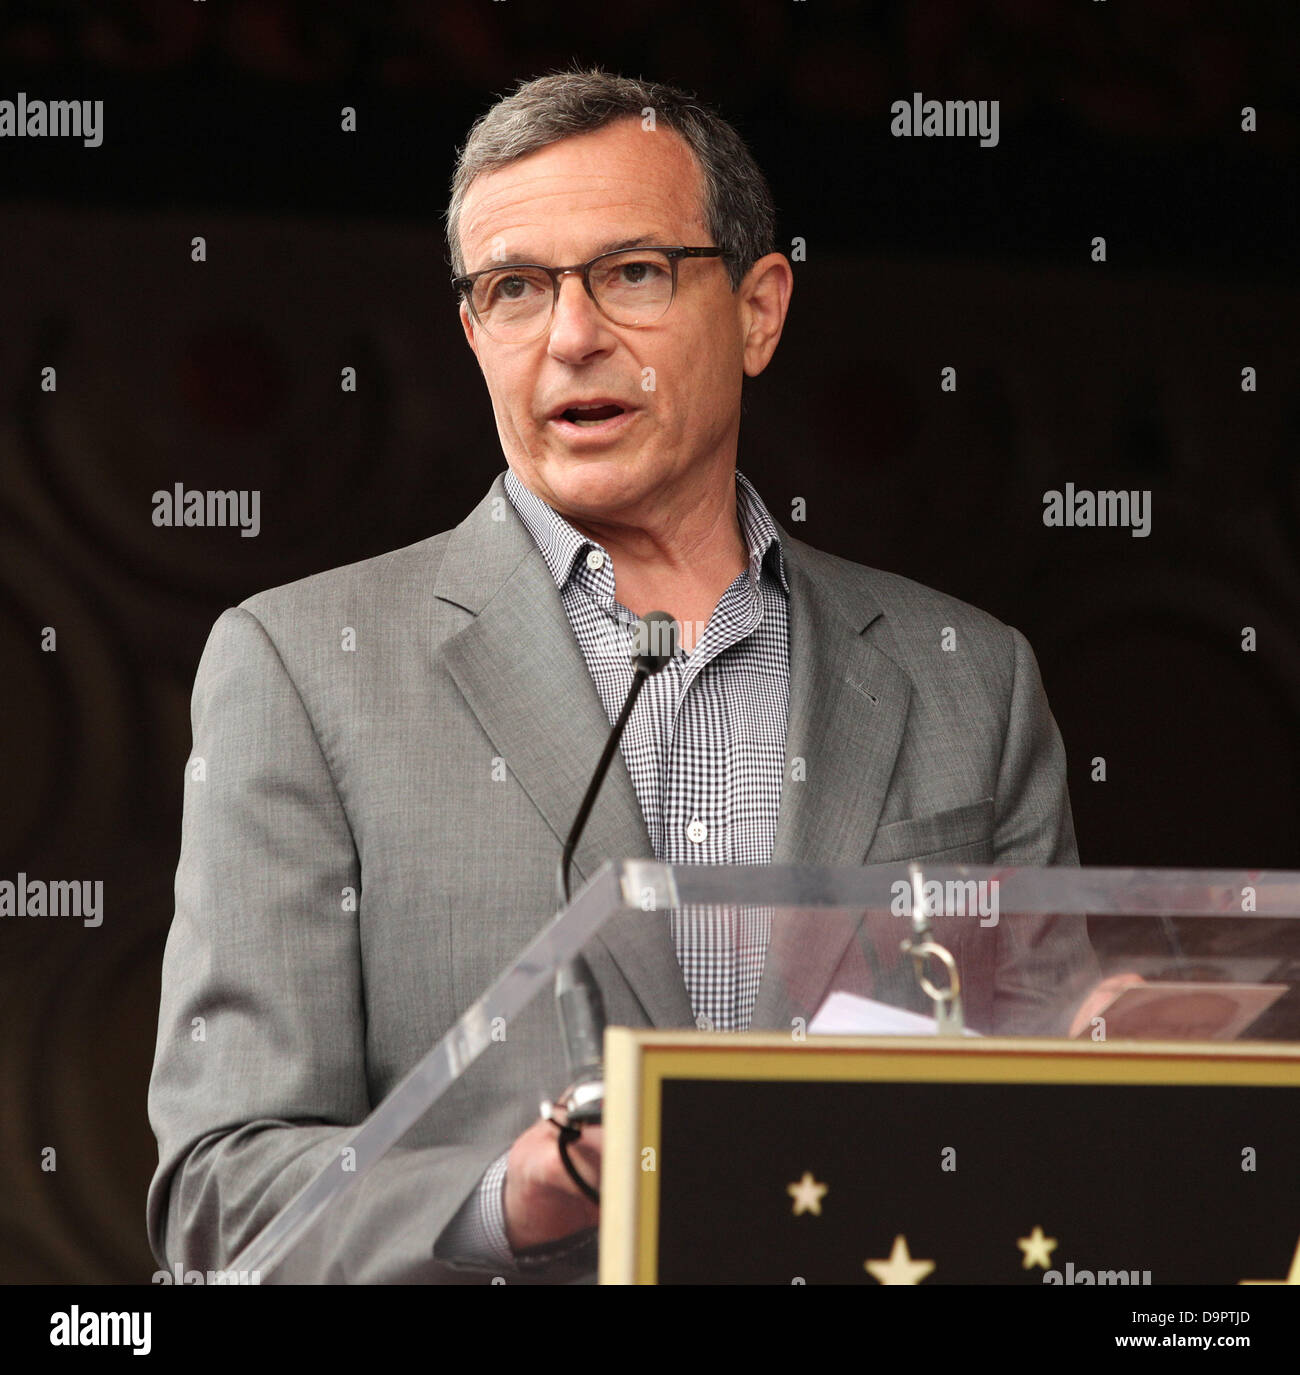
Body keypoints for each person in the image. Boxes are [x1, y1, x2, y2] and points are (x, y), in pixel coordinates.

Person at [147, 67, 1098, 1285]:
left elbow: (1060, 1148)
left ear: (759, 310)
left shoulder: (972, 677)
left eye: (633, 272)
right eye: (515, 289)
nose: (571, 334)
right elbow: (224, 1200)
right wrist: (513, 1196)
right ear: (475, 333)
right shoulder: (299, 668)